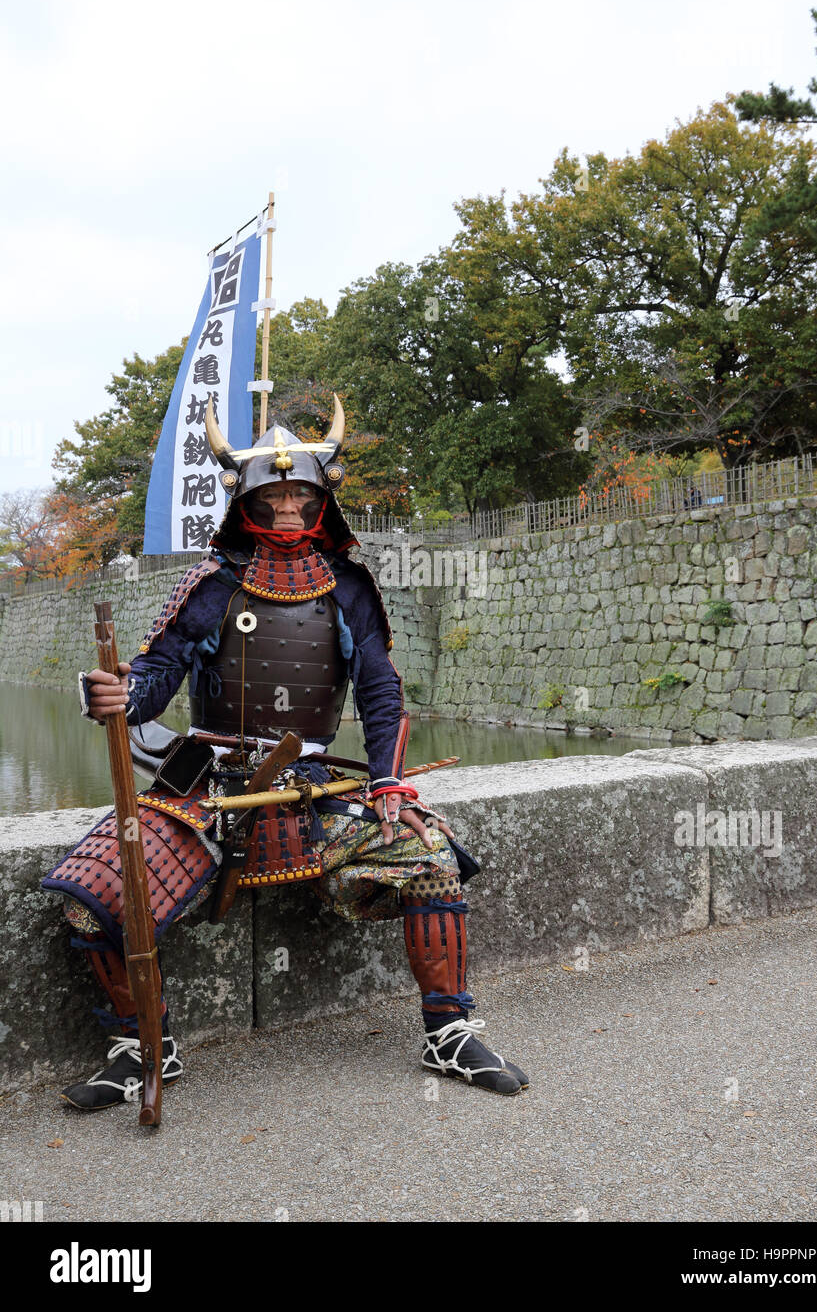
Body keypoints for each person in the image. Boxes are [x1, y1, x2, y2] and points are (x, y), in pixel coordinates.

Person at [42, 396, 528, 1107]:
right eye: (274, 495)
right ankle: (143, 1047)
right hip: (210, 791)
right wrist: (112, 693)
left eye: (302, 492)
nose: (290, 507)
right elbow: (150, 681)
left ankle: (448, 1033)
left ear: (324, 498)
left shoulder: (351, 588)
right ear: (246, 503)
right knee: (93, 897)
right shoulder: (210, 586)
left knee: (430, 855)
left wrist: (390, 783)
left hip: (310, 787)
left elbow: (383, 696)